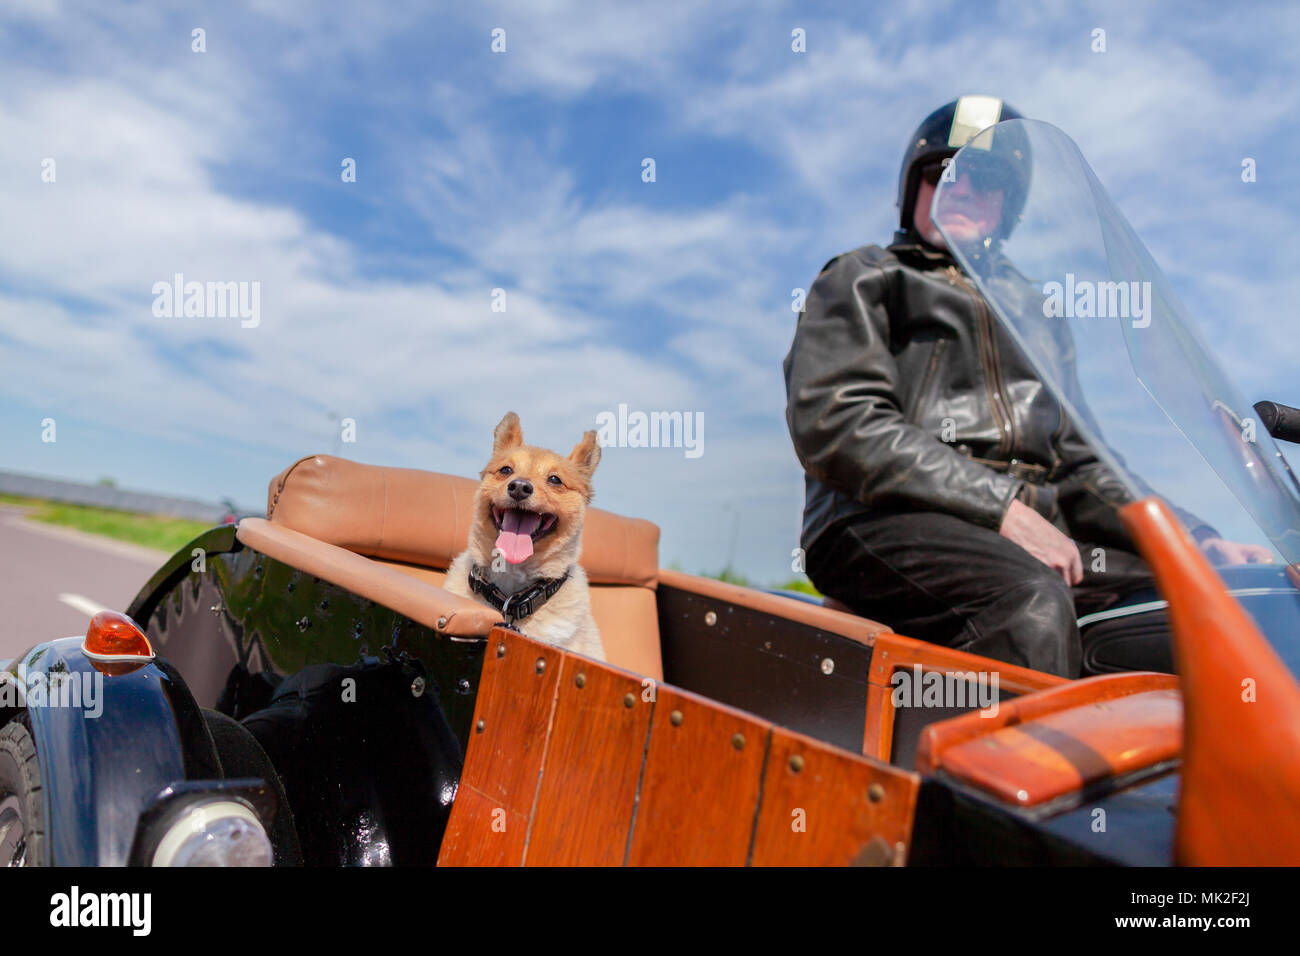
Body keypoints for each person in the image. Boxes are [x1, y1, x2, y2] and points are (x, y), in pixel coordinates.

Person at [782, 95, 1271, 678]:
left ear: (1006, 205)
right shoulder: (865, 277)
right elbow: (841, 423)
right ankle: (1003, 769)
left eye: (985, 177)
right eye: (944, 173)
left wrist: (1195, 541)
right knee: (1030, 601)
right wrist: (1002, 508)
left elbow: (1082, 462)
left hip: (1028, 530)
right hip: (877, 520)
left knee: (1218, 602)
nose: (963, 188)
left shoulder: (1034, 311)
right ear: (912, 188)